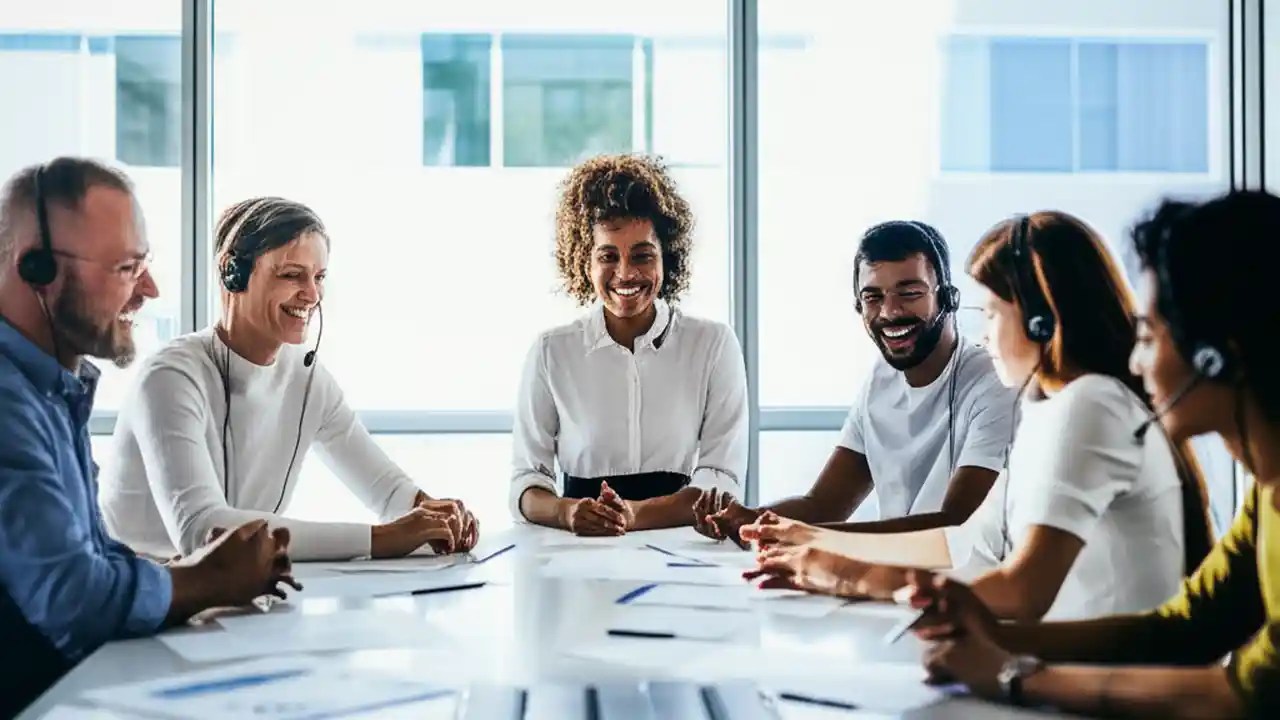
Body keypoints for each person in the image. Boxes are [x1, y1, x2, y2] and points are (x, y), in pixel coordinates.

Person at [902, 192, 1280, 718]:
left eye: (1148, 335)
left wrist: (1016, 675)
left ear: (1215, 356)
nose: (1135, 358)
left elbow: (1246, 696)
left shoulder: (1093, 403)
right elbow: (1183, 630)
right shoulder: (1267, 498)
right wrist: (994, 637)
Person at [742, 211, 1213, 622]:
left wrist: (848, 574)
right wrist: (815, 544)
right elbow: (957, 543)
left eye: (991, 314)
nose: (984, 337)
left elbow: (1022, 591)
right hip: (1069, 662)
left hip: (1103, 678)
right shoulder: (1045, 413)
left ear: (1040, 322)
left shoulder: (1091, 405)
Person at [0, 158, 297, 716]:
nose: (151, 289)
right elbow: (74, 601)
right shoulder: (7, 405)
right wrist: (209, 580)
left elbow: (92, 556)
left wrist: (192, 574)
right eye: (127, 267)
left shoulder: (46, 390)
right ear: (36, 269)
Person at [100, 196, 477, 562]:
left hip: (229, 598)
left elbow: (388, 491)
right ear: (234, 273)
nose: (312, 294)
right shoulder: (170, 377)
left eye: (319, 277)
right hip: (141, 599)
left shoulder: (307, 378)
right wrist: (381, 539)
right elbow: (202, 531)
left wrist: (436, 516)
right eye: (292, 275)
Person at [696, 220, 1017, 546]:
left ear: (948, 298)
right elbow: (823, 505)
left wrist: (807, 537)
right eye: (873, 297)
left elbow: (955, 525)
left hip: (960, 583)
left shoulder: (992, 383)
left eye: (909, 293)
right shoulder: (882, 378)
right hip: (892, 576)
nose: (890, 312)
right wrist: (750, 519)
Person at [511, 153, 748, 535]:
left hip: (683, 547)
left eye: (642, 255)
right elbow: (525, 483)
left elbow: (722, 479)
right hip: (577, 548)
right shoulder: (551, 351)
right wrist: (568, 512)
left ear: (666, 258)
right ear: (584, 262)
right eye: (608, 256)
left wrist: (633, 515)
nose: (626, 273)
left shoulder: (713, 345)